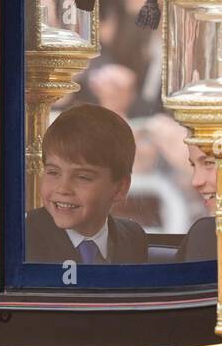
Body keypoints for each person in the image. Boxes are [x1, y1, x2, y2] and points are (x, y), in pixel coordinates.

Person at [26, 104, 149, 265]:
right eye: (53, 173)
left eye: (83, 177)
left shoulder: (133, 238)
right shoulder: (22, 239)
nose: (63, 189)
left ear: (120, 188)